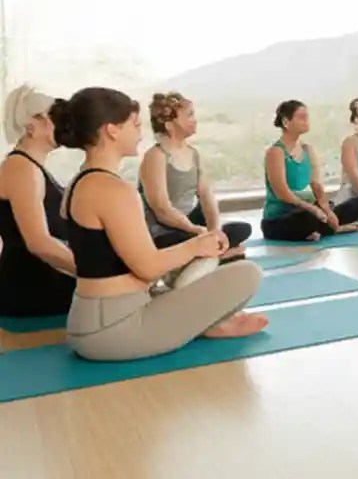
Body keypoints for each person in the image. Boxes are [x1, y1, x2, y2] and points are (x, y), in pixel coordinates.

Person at [53, 87, 266, 361]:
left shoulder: (78, 182)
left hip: (88, 321)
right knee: (248, 273)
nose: (140, 133)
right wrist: (196, 245)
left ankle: (203, 324)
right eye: (135, 124)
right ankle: (206, 325)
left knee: (185, 284)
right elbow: (148, 267)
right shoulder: (114, 190)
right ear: (111, 130)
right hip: (116, 329)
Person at [140, 93, 253, 265]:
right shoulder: (155, 156)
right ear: (170, 124)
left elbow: (206, 196)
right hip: (164, 232)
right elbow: (162, 209)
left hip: (190, 225)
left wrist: (215, 231)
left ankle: (212, 253)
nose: (195, 120)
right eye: (190, 115)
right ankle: (218, 254)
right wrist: (196, 230)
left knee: (242, 229)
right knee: (195, 240)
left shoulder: (193, 154)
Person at [0, 85, 75, 319]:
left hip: (42, 279)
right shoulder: (22, 169)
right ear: (32, 124)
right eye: (56, 118)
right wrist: (95, 273)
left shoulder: (31, 167)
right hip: (33, 287)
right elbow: (39, 243)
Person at [261, 100, 358, 241]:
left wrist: (328, 212)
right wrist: (313, 209)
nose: (306, 121)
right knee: (308, 217)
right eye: (301, 117)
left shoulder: (307, 150)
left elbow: (316, 186)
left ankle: (329, 228)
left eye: (307, 117)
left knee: (351, 205)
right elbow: (282, 192)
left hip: (307, 210)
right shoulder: (275, 152)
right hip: (280, 218)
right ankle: (318, 229)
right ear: (286, 122)